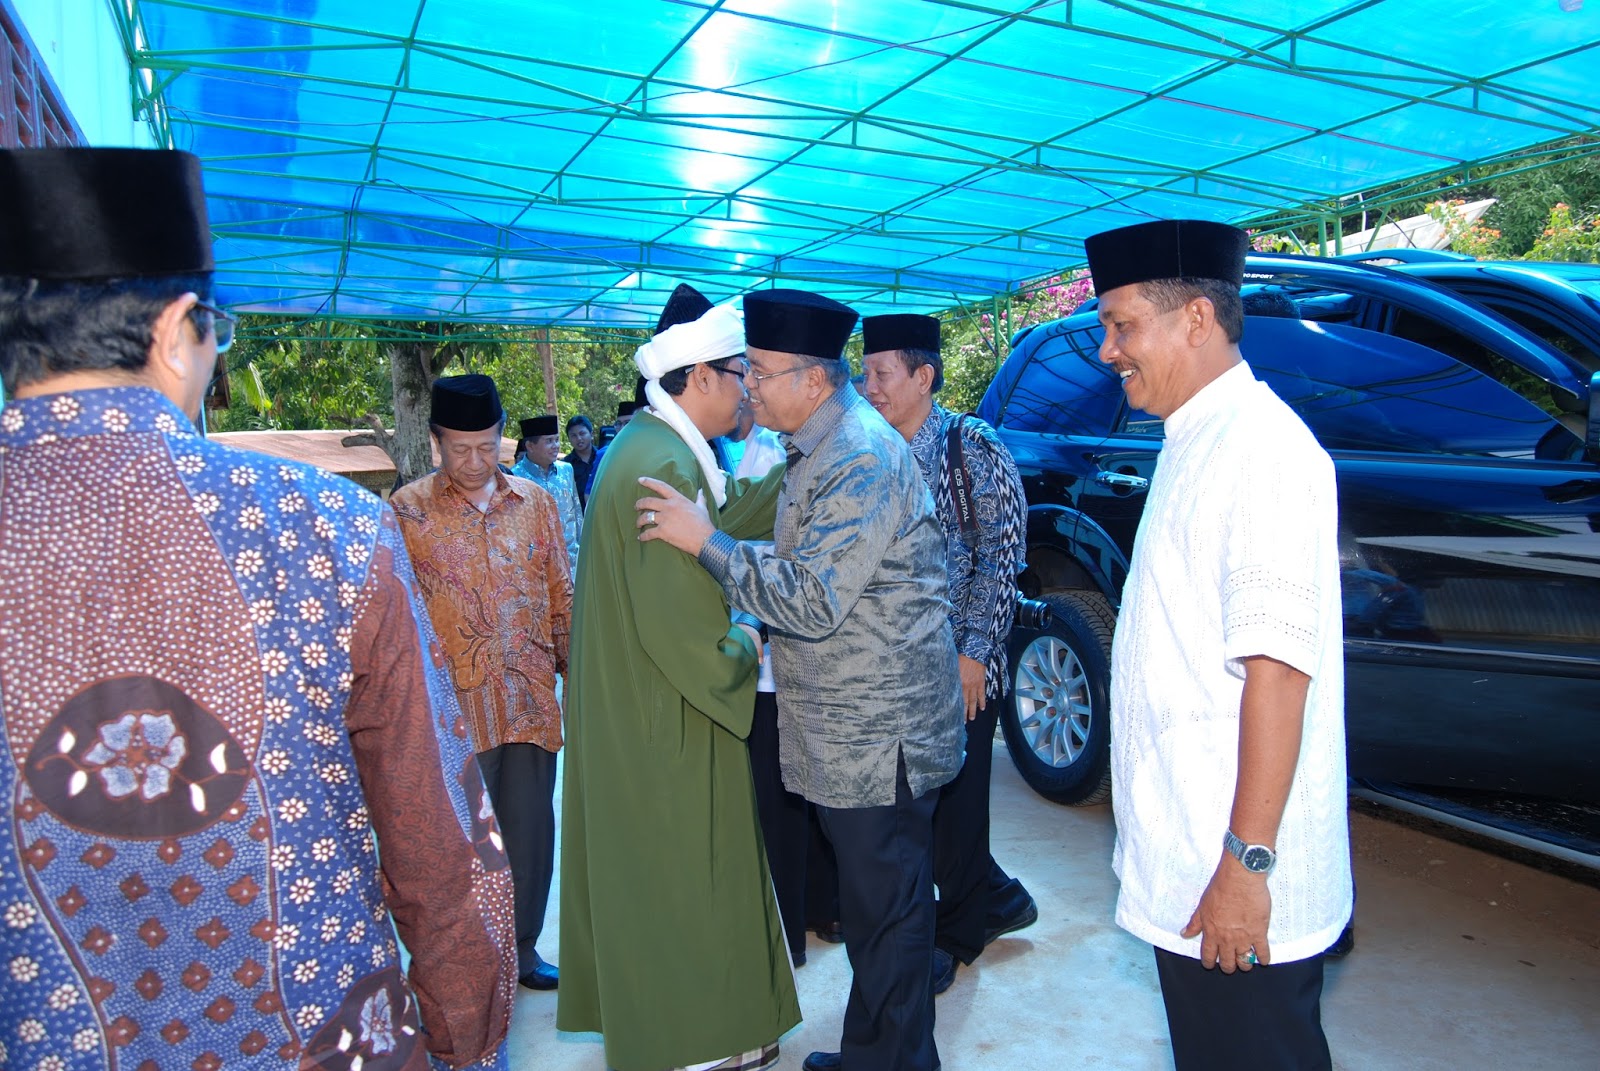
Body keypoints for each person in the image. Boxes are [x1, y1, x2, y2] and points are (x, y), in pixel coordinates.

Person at [0, 147, 515, 1070]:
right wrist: (466, 1035)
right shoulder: (328, 528)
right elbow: (435, 836)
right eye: (217, 330)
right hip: (308, 1036)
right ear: (173, 329)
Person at [638, 288, 964, 1071]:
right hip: (850, 728)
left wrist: (707, 543)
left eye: (760, 371)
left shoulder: (857, 454)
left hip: (881, 735)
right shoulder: (817, 443)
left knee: (889, 916)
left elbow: (814, 596)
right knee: (877, 909)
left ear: (813, 381)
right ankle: (876, 1054)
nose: (747, 384)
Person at [1085, 219, 1351, 1070]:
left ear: (1195, 320)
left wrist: (1246, 866)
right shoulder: (1197, 436)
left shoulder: (1263, 452)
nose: (1105, 350)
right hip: (1195, 854)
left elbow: (1277, 673)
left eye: (1121, 325)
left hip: (1233, 880)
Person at [558, 284, 798, 1071]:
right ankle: (697, 1041)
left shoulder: (654, 449)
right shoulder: (660, 467)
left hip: (646, 705)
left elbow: (725, 515)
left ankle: (718, 1025)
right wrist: (746, 634)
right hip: (668, 713)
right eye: (740, 373)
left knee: (682, 875)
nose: (748, 389)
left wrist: (808, 463)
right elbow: (685, 634)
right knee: (684, 876)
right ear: (698, 377)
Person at [861, 313, 1038, 997]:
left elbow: (1001, 555)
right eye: (866, 372)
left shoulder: (973, 445)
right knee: (923, 803)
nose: (868, 386)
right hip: (898, 667)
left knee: (957, 807)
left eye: (882, 373)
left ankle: (957, 936)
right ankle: (1000, 897)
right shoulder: (875, 450)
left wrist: (974, 654)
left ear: (923, 376)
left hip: (962, 662)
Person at [391, 375, 572, 995]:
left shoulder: (537, 504)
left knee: (529, 834)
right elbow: (396, 618)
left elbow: (560, 597)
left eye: (487, 446)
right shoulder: (407, 510)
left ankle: (521, 951)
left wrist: (579, 676)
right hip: (452, 715)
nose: (475, 462)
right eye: (460, 448)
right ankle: (464, 966)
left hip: (528, 703)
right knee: (455, 847)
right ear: (436, 441)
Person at [726, 399, 808, 966]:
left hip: (777, 656)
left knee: (784, 801)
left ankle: (791, 932)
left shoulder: (784, 456)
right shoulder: (717, 453)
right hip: (741, 655)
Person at [514, 413, 583, 580]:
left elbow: (577, 513)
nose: (556, 446)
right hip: (536, 568)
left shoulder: (566, 470)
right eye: (549, 441)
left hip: (572, 564)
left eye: (557, 440)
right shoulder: (515, 477)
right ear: (530, 446)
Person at [563, 414, 604, 508]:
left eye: (582, 434)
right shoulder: (566, 465)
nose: (579, 439)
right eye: (574, 435)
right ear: (569, 438)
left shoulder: (603, 457)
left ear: (591, 434)